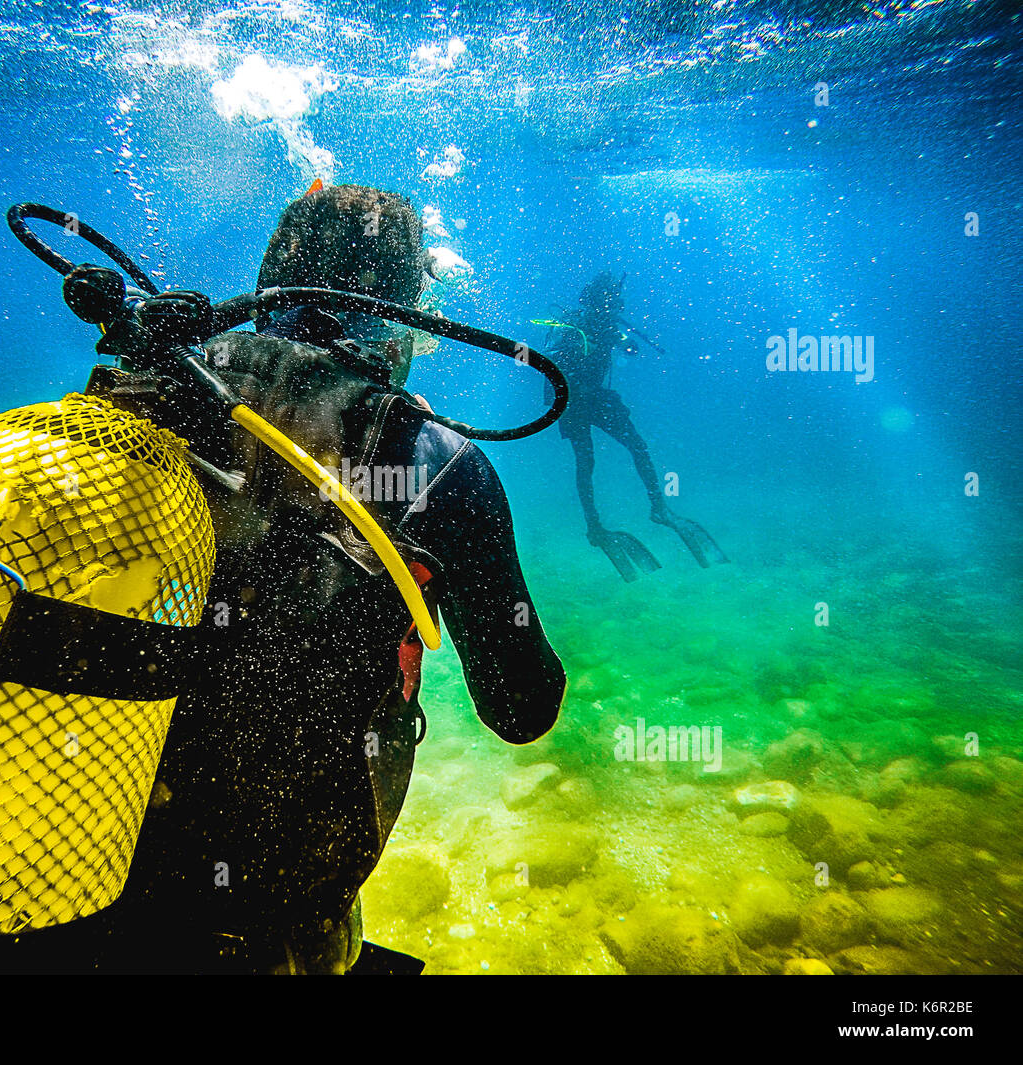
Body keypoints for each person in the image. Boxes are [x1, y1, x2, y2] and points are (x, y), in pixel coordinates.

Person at [99, 183, 566, 973]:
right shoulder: (439, 463)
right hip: (284, 915)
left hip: (83, 872)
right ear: (404, 308)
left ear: (272, 276)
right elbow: (521, 711)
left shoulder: (142, 396)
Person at [545, 271, 728, 582]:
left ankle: (659, 509)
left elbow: (631, 350)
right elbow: (557, 362)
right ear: (596, 301)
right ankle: (595, 526)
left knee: (636, 446)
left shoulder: (608, 326)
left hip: (597, 398)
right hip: (573, 401)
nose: (616, 305)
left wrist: (621, 338)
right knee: (586, 460)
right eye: (611, 300)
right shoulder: (576, 326)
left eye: (617, 300)